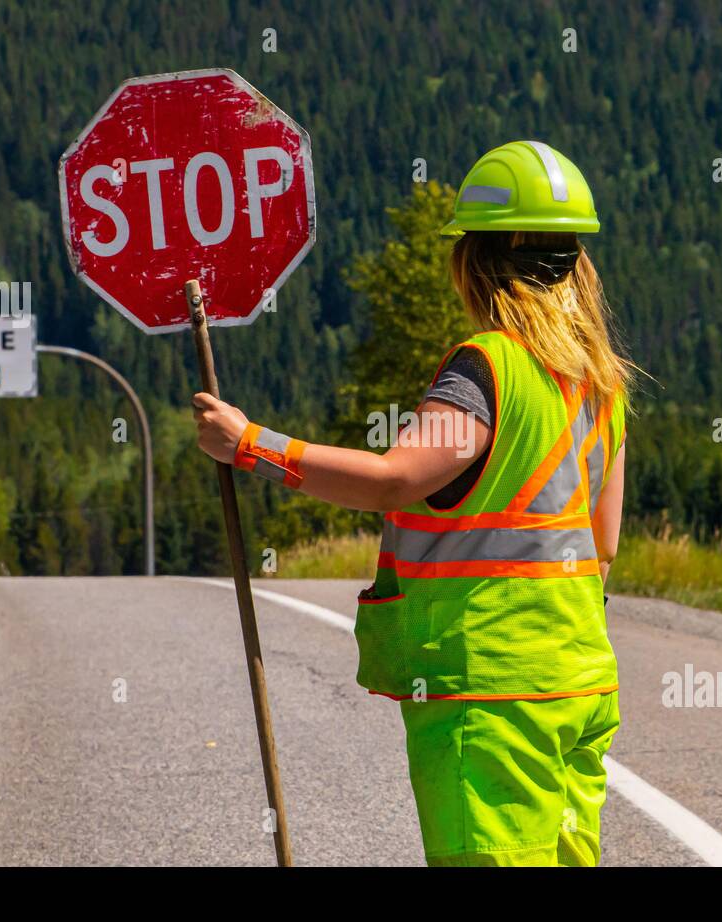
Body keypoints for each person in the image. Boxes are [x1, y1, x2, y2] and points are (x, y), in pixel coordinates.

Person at [193, 141, 635, 866]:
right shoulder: (599, 384)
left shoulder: (486, 368)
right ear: (575, 264)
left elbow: (396, 479)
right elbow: (603, 543)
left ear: (475, 261)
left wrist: (252, 445)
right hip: (583, 681)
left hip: (490, 691)